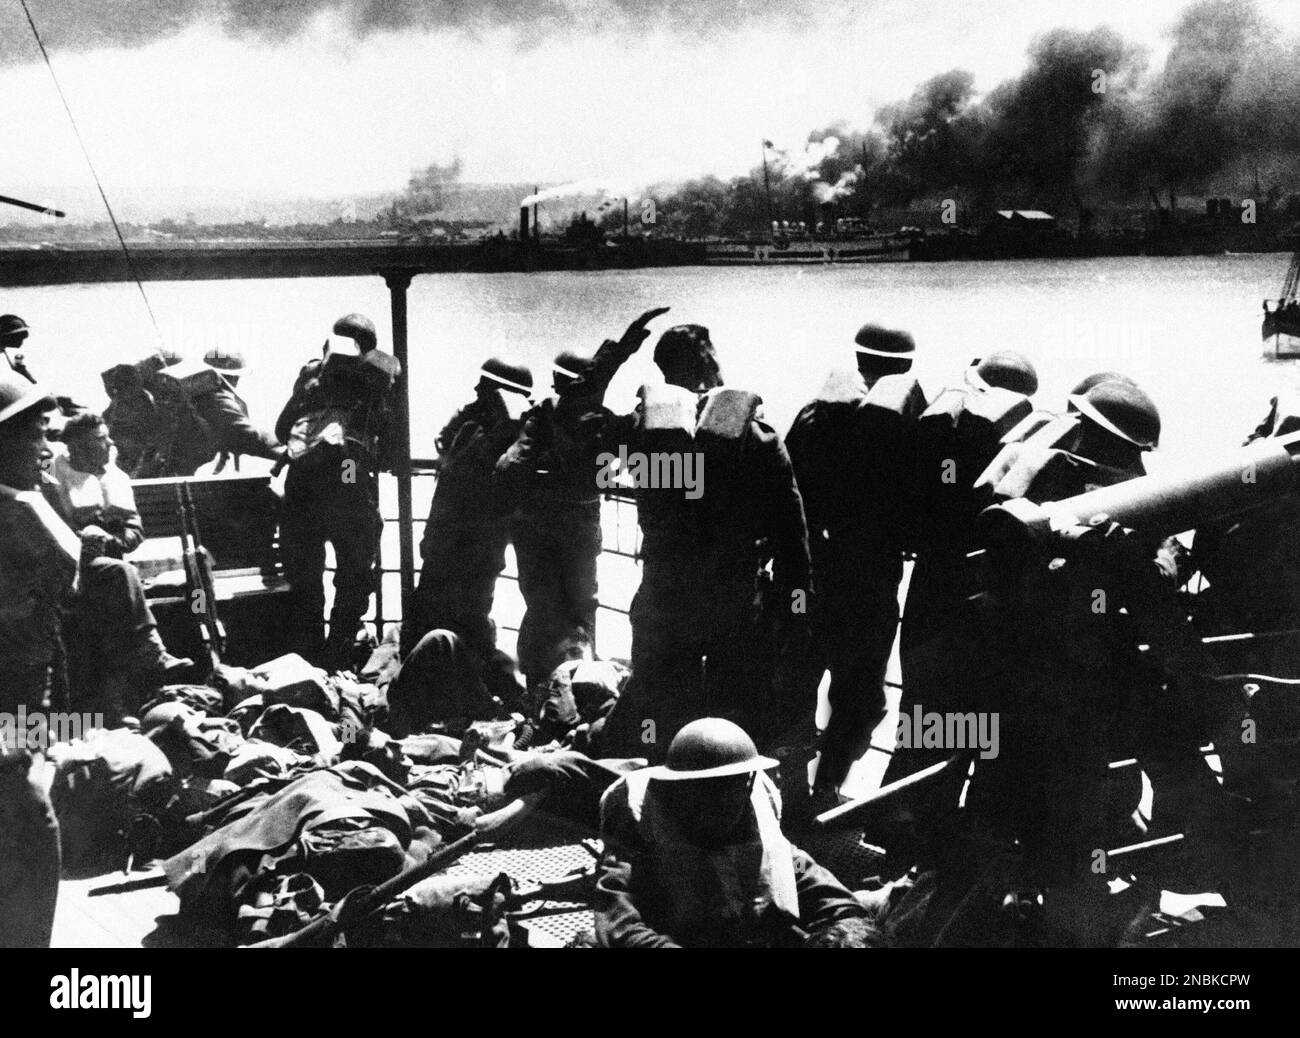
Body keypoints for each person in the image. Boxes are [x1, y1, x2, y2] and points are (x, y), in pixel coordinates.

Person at [597, 325, 811, 761]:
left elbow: (581, 427)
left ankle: (649, 796)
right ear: (711, 365)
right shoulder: (758, 436)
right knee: (735, 714)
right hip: (734, 601)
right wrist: (797, 609)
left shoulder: (640, 431)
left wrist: (612, 359)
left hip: (663, 595)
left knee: (657, 711)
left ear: (663, 372)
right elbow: (793, 534)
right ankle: (730, 798)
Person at [0, 372, 189, 724]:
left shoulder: (42, 491)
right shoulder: (25, 500)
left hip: (38, 673)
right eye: (35, 437)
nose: (45, 451)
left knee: (115, 584)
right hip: (22, 682)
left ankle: (110, 708)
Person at [785, 323, 926, 795]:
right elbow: (920, 500)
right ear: (906, 367)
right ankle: (827, 789)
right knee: (860, 696)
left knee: (798, 682)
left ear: (858, 360)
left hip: (811, 573)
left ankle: (786, 789)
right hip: (870, 581)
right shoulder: (907, 422)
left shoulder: (813, 415)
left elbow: (788, 486)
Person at [495, 309, 670, 687]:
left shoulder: (542, 414)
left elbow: (511, 466)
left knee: (540, 605)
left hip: (531, 524)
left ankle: (539, 683)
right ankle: (577, 684)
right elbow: (635, 466)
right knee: (581, 608)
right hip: (579, 524)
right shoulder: (601, 422)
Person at [594, 718, 878, 948]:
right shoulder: (642, 847)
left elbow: (834, 899)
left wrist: (843, 936)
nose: (722, 802)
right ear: (679, 791)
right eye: (707, 791)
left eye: (734, 788)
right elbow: (619, 923)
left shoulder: (770, 845)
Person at [891, 350, 1039, 779]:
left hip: (928, 585)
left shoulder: (942, 428)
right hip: (979, 591)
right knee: (971, 710)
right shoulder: (1017, 441)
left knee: (921, 705)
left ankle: (899, 814)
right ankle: (947, 818)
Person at [276, 314, 400, 670]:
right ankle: (340, 653)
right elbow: (393, 444)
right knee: (354, 572)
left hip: (302, 485)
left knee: (305, 576)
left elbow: (283, 427)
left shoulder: (311, 376)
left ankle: (308, 656)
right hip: (349, 480)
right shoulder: (380, 378)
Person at [405, 356, 534, 657]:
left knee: (461, 619)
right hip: (454, 542)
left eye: (486, 387)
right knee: (437, 615)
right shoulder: (474, 425)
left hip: (470, 546)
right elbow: (443, 443)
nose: (477, 389)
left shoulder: (506, 432)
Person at [45, 411, 143, 560]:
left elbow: (134, 529)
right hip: (64, 559)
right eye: (101, 438)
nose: (111, 442)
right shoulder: (51, 471)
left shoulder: (116, 476)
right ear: (77, 447)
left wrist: (112, 541)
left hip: (109, 558)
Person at [192, 348, 282, 471]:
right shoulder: (215, 399)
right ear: (233, 378)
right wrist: (283, 438)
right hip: (188, 475)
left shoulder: (197, 394)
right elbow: (247, 436)